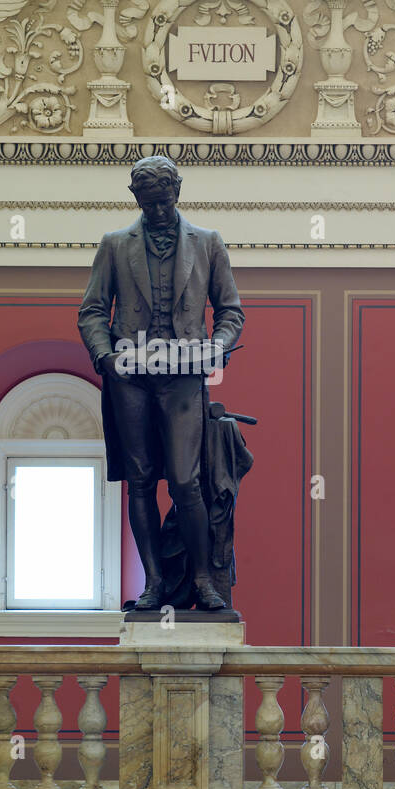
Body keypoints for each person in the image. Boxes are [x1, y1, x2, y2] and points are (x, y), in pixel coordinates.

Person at [77, 156, 244, 611]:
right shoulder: (114, 245)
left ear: (178, 194)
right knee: (141, 480)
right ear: (136, 199)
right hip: (130, 377)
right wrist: (105, 357)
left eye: (164, 203)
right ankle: (153, 582)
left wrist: (219, 346)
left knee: (187, 482)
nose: (157, 212)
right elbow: (93, 310)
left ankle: (204, 580)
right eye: (148, 204)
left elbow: (231, 312)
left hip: (184, 375)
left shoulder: (208, 243)